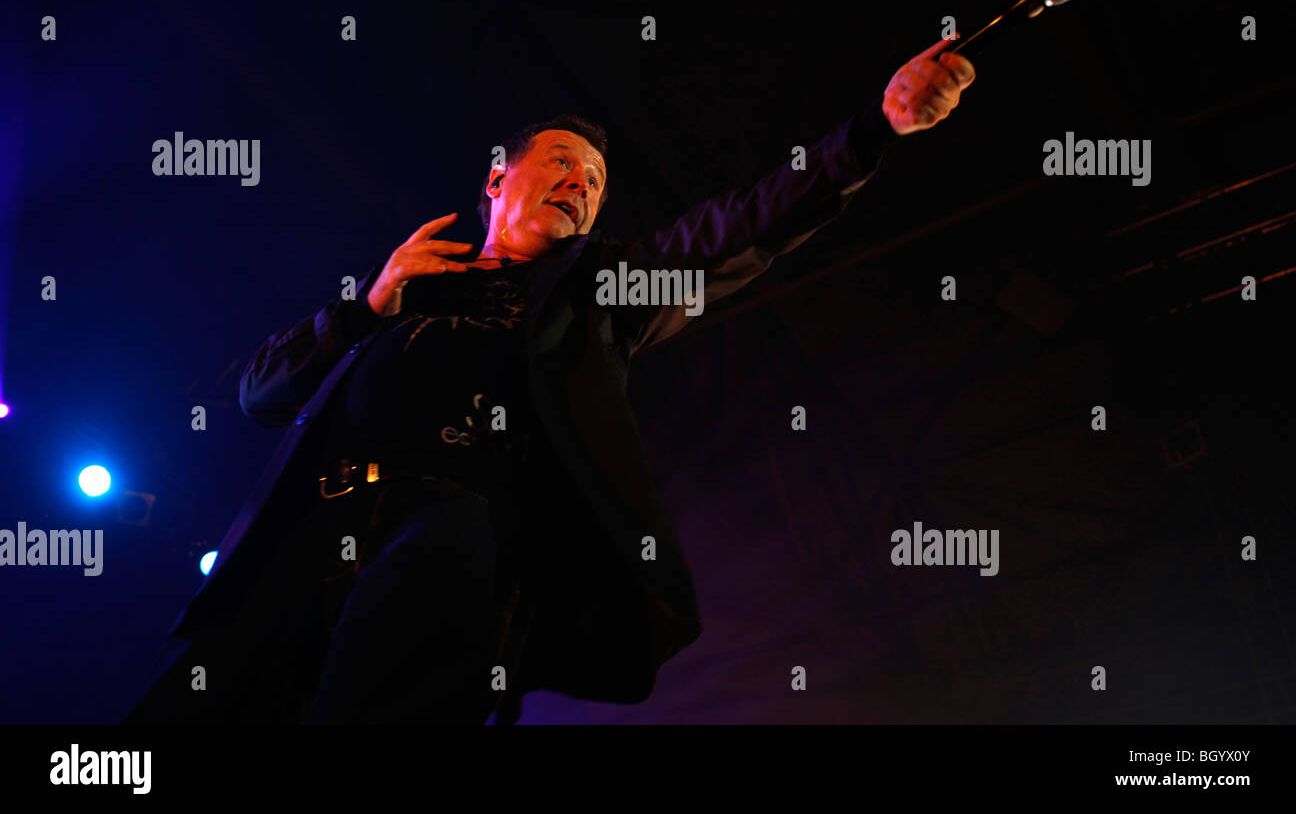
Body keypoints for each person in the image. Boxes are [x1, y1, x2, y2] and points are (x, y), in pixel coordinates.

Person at [123, 37, 975, 724]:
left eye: (597, 185)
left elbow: (738, 227)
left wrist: (872, 131)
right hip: (313, 531)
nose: (582, 185)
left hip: (456, 530)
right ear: (499, 179)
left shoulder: (602, 292)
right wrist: (368, 307)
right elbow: (262, 396)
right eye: (564, 166)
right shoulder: (406, 287)